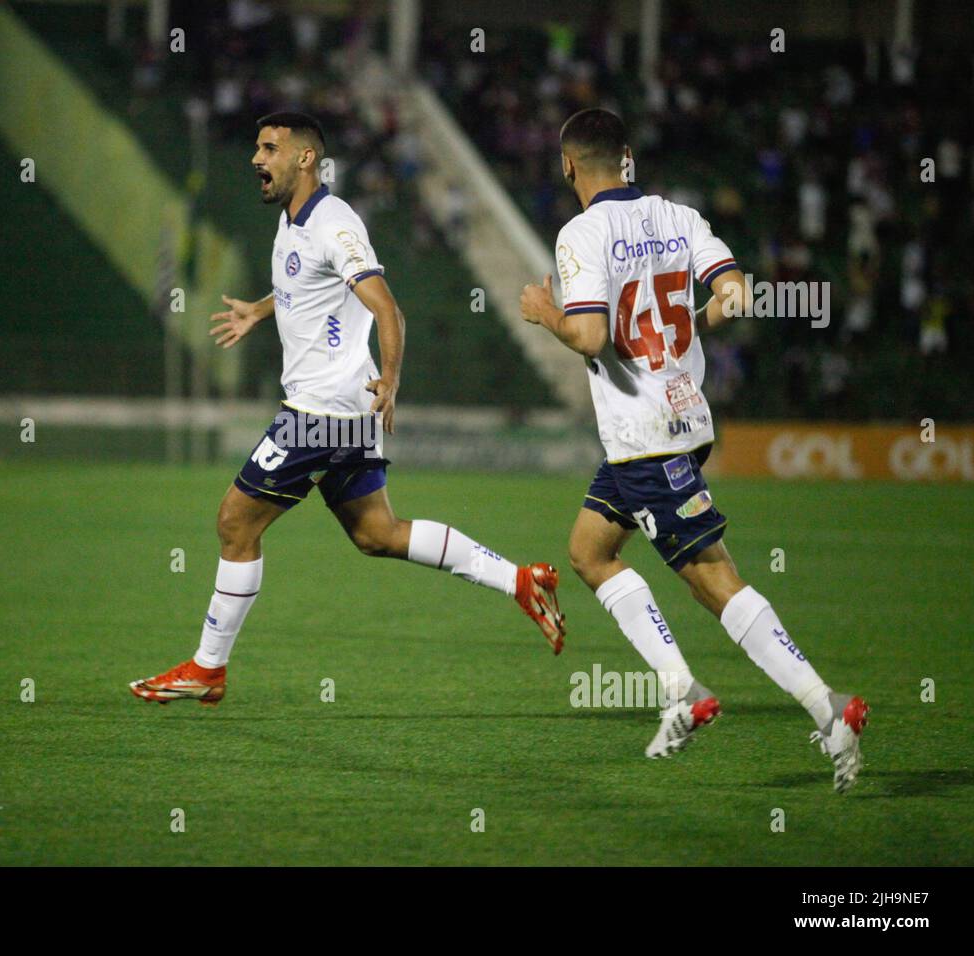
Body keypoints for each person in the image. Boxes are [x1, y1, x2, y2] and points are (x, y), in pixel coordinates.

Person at [130, 112, 565, 706]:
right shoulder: (294, 220)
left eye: (269, 148)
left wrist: (392, 379)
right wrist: (261, 310)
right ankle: (519, 580)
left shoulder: (334, 224)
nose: (257, 159)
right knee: (377, 533)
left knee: (235, 522)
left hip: (321, 413)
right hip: (342, 412)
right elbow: (305, 287)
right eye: (257, 147)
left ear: (305, 158)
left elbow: (389, 309)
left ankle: (208, 668)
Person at [519, 108, 868, 792]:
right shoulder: (680, 216)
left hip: (647, 436)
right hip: (675, 420)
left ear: (569, 167)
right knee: (589, 550)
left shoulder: (581, 234)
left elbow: (589, 339)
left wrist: (545, 314)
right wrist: (681, 331)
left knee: (712, 579)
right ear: (627, 159)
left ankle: (827, 707)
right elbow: (734, 297)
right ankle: (681, 687)